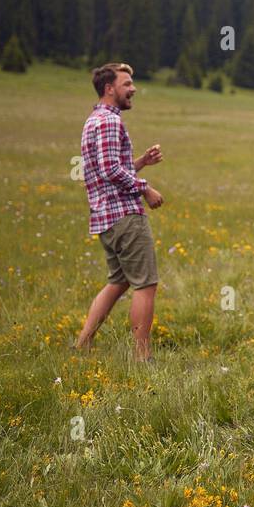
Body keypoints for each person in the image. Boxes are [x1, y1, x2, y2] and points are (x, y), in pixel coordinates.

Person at [74, 62, 164, 361]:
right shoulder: (110, 122)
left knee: (119, 280)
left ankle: (83, 342)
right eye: (126, 84)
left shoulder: (93, 119)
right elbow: (111, 169)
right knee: (146, 283)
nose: (133, 89)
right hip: (124, 214)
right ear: (109, 88)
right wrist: (144, 187)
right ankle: (142, 356)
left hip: (105, 216)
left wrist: (139, 162)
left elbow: (104, 168)